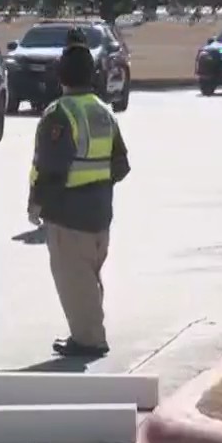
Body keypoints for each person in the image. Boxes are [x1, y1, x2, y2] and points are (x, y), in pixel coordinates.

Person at [28, 44, 130, 359]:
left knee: (75, 281)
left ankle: (89, 341)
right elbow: (120, 165)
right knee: (88, 279)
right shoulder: (104, 110)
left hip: (68, 216)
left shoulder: (59, 114)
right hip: (100, 214)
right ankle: (87, 333)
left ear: (61, 76)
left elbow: (50, 168)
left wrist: (37, 203)